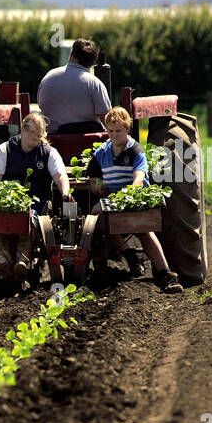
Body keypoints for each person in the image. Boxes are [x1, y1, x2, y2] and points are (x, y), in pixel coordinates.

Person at [84, 106, 183, 294]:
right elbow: (93, 178)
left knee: (144, 231)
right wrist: (97, 186)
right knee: (103, 223)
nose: (114, 135)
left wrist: (118, 199)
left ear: (127, 129)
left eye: (118, 131)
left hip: (133, 199)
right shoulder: (101, 153)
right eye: (110, 131)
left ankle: (166, 273)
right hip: (112, 199)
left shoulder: (135, 150)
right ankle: (128, 256)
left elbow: (138, 180)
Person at [0, 113, 69, 279]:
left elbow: (60, 175)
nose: (37, 139)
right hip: (8, 202)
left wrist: (65, 192)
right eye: (33, 134)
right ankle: (2, 261)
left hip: (37, 203)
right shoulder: (5, 150)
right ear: (23, 130)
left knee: (29, 219)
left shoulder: (48, 153)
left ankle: (22, 261)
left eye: (40, 135)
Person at [38, 39, 111, 134]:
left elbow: (41, 105)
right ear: (92, 62)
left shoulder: (49, 77)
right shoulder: (94, 83)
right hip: (90, 142)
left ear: (72, 54)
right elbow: (107, 119)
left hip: (55, 140)